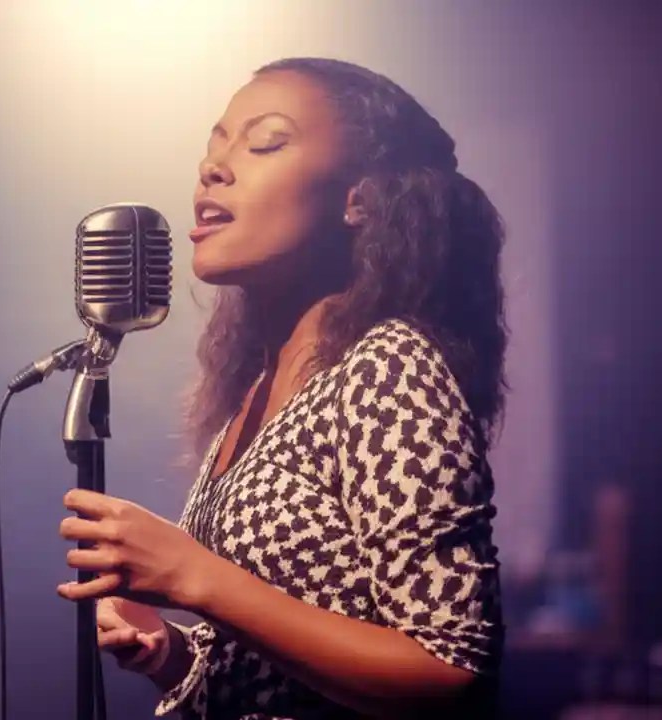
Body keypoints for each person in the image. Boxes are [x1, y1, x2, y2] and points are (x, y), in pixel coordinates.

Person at [56, 58, 507, 718]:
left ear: (360, 199)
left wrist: (193, 574)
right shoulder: (261, 395)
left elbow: (452, 669)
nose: (214, 168)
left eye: (265, 142)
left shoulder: (385, 370)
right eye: (214, 145)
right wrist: (173, 654)